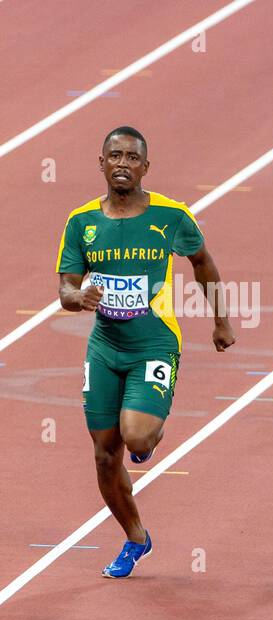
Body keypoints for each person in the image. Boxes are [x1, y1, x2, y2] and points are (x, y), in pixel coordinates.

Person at [56, 126, 236, 578]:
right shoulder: (81, 222)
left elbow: (203, 262)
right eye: (113, 156)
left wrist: (221, 319)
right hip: (105, 346)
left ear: (145, 167)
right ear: (100, 163)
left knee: (135, 437)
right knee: (103, 454)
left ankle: (148, 430)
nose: (122, 164)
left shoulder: (171, 216)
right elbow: (65, 287)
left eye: (131, 158)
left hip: (154, 342)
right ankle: (136, 538)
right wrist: (76, 298)